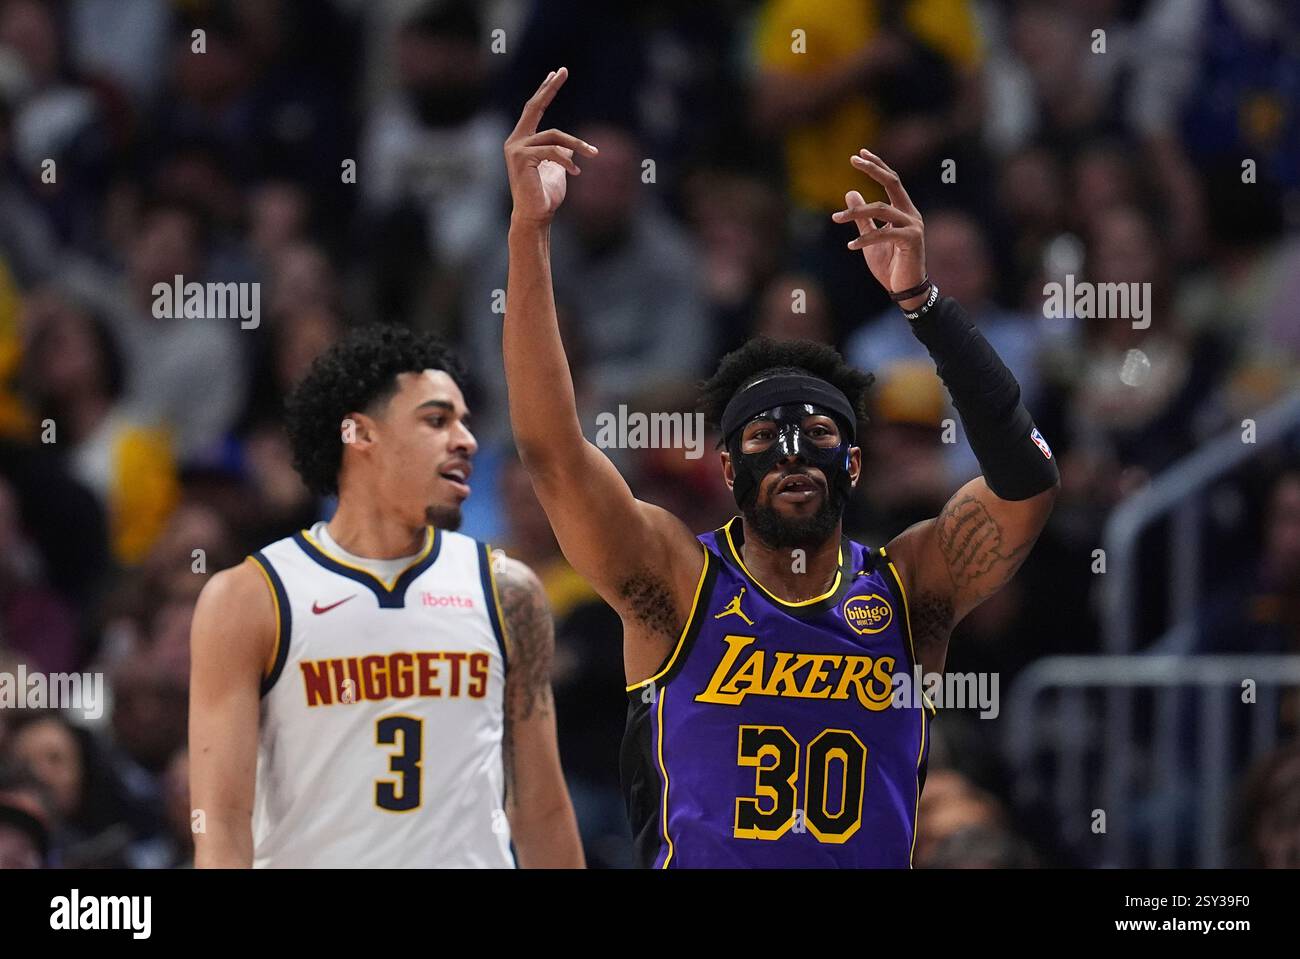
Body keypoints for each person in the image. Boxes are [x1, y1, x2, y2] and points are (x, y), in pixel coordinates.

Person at [501, 69, 1058, 867]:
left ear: (855, 462)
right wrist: (528, 233)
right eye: (764, 438)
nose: (792, 451)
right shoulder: (677, 582)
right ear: (726, 468)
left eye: (816, 432)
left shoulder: (909, 588)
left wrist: (925, 305)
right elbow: (553, 452)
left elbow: (1027, 481)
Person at [188, 324, 583, 867]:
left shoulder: (508, 591)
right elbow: (221, 824)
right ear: (361, 436)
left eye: (465, 423)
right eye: (437, 420)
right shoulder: (250, 598)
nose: (466, 440)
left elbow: (541, 812)